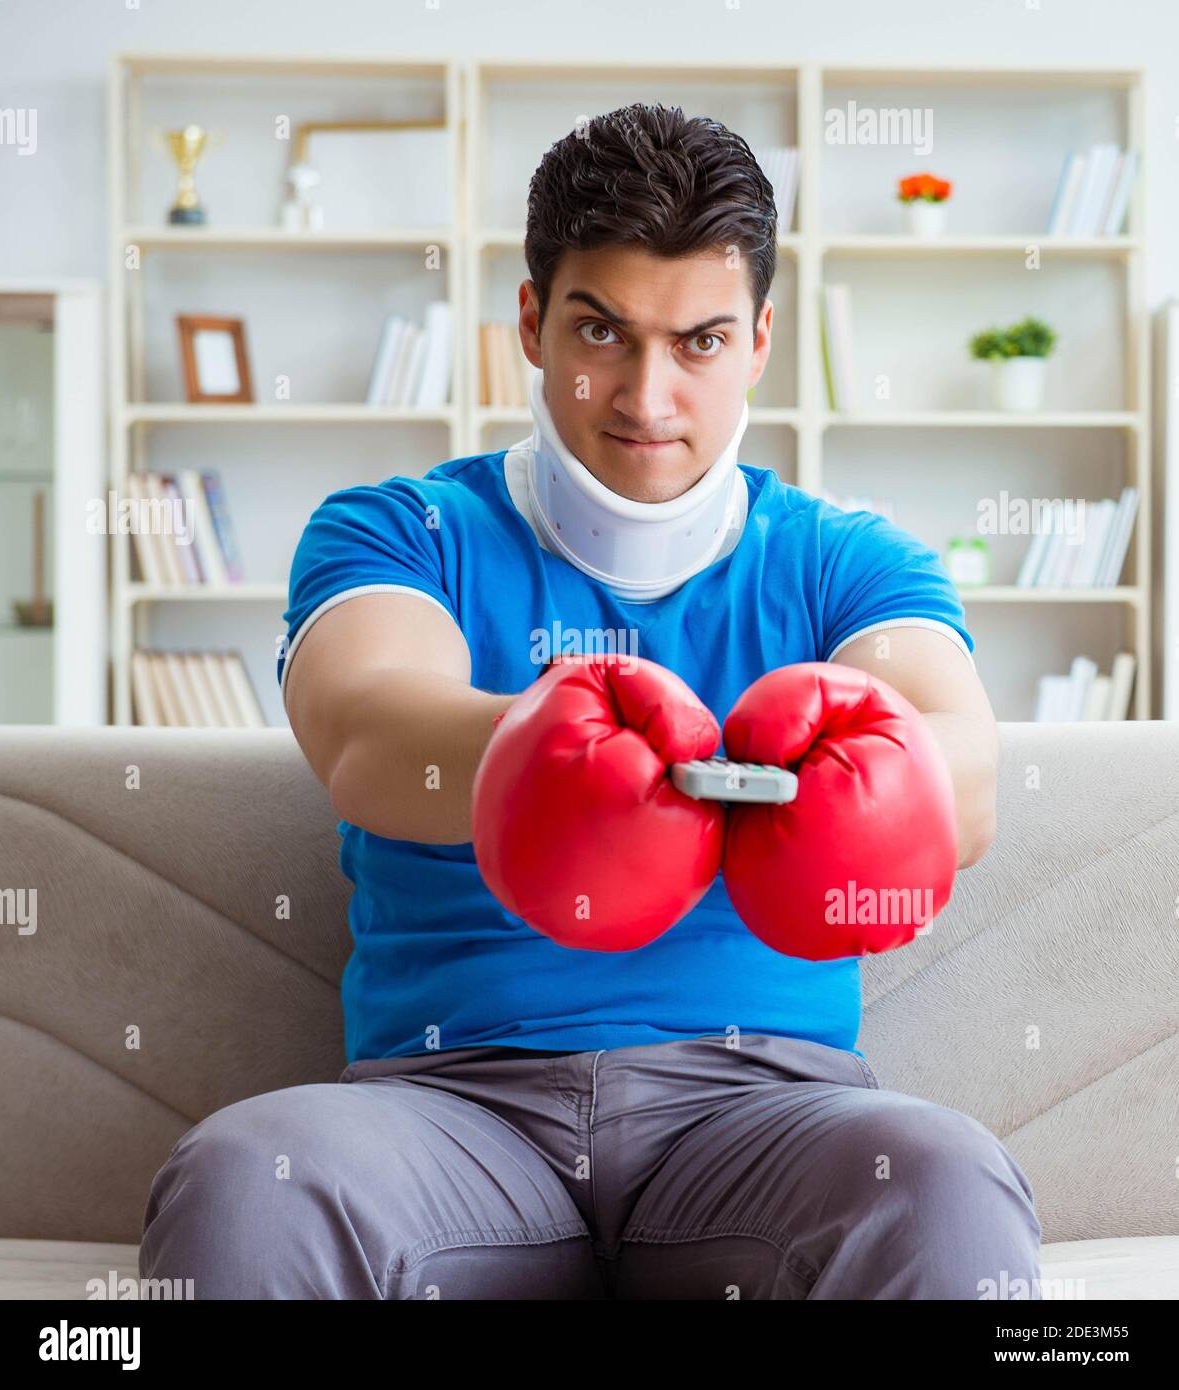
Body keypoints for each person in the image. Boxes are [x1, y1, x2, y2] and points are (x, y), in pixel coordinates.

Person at [138, 102, 1042, 1300]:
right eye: (602, 332)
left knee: (942, 1181)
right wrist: (564, 748)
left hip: (760, 1117)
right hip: (449, 1109)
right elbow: (365, 732)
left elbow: (963, 786)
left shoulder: (846, 560)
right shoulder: (400, 530)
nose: (648, 397)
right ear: (530, 318)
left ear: (761, 339)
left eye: (700, 343)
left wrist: (838, 785)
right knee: (247, 1176)